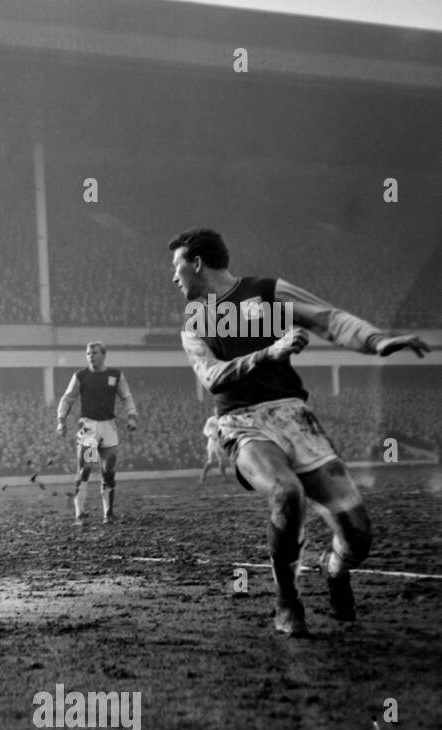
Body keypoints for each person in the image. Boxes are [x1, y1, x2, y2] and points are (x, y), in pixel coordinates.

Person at [169, 226, 430, 635]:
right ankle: (287, 602)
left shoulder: (266, 291)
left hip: (295, 418)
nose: (174, 277)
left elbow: (326, 318)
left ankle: (334, 566)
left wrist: (377, 341)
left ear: (197, 263)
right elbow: (213, 377)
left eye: (177, 266)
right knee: (285, 491)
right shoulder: (194, 321)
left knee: (358, 535)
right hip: (241, 421)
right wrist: (267, 353)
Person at [55, 342, 138, 524]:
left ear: (103, 355)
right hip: (89, 430)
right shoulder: (81, 376)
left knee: (108, 471)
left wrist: (132, 416)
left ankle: (108, 514)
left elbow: (127, 396)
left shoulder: (115, 375)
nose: (90, 356)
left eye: (94, 353)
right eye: (88, 353)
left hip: (109, 428)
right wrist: (61, 420)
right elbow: (68, 398)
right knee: (86, 468)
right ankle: (80, 514)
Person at [200, 414, 229, 483]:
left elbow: (227, 430)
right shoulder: (211, 420)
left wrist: (225, 437)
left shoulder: (224, 419)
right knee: (211, 461)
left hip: (220, 442)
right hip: (212, 442)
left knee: (222, 460)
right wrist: (209, 435)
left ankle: (224, 477)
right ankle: (203, 475)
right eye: (216, 410)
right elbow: (205, 430)